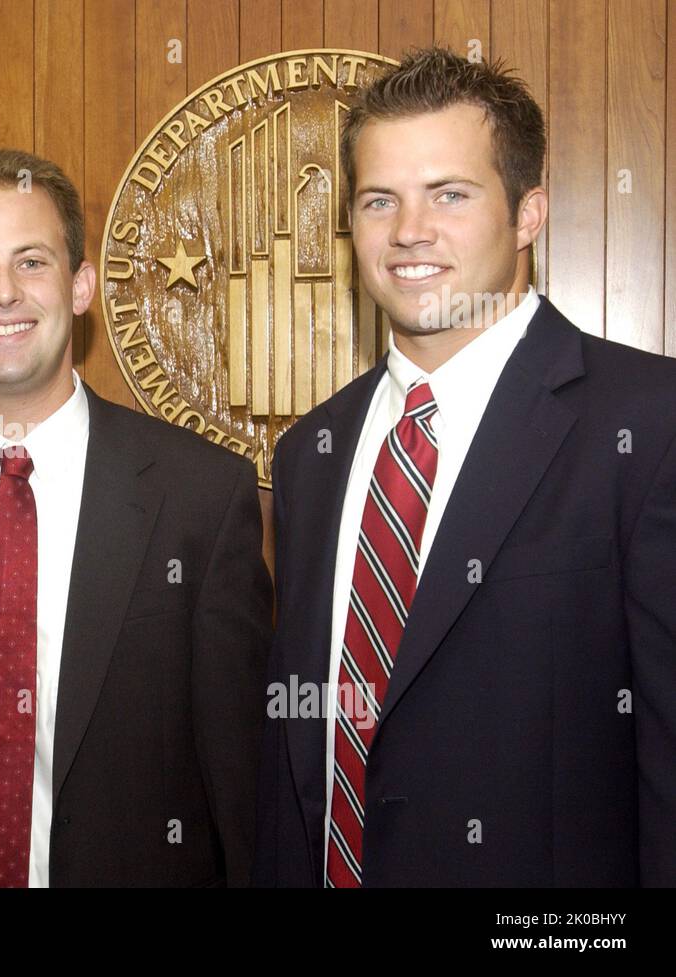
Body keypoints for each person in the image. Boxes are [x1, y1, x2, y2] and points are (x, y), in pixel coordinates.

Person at [254, 47, 676, 887]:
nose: (410, 231)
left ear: (529, 214)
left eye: (450, 193)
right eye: (380, 200)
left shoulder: (649, 422)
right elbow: (303, 747)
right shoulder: (313, 452)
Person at [0, 149, 273, 888]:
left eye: (31, 262)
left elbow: (241, 774)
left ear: (82, 285)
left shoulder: (199, 497)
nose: (2, 293)